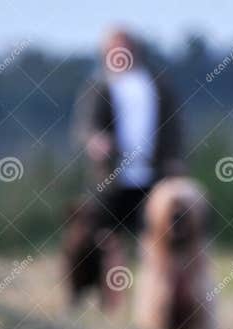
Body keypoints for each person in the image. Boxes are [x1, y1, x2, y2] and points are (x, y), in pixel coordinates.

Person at [71, 29, 185, 306]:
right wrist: (95, 141)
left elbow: (174, 124)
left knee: (156, 241)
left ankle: (156, 300)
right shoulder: (98, 85)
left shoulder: (157, 84)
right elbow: (85, 126)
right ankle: (109, 300)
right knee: (105, 240)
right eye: (112, 49)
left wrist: (175, 160)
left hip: (154, 178)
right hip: (111, 179)